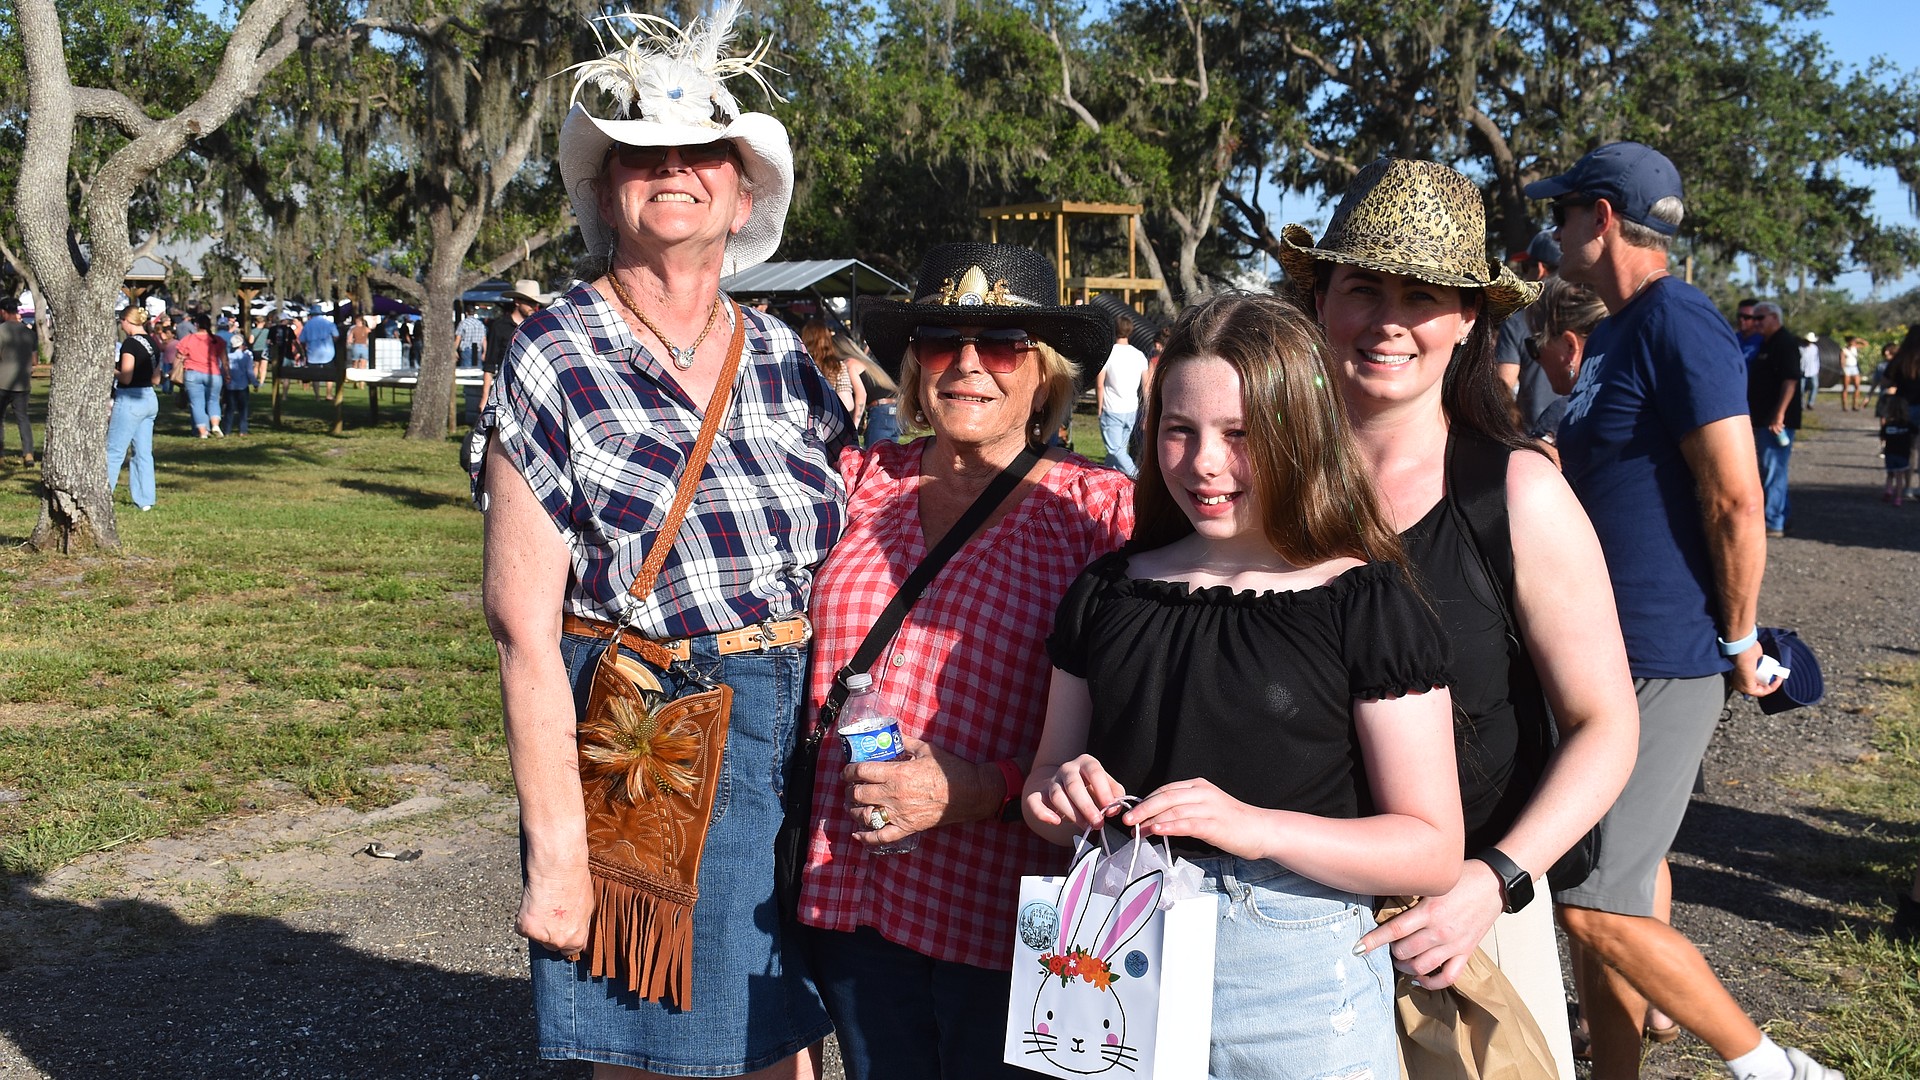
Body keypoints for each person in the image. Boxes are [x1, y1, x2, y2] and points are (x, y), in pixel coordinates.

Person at [477, 10, 837, 1077]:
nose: (669, 171)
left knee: (785, 1036)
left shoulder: (783, 358)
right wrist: (557, 857)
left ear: (740, 195)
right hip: (650, 726)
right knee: (648, 1046)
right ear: (604, 194)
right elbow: (522, 636)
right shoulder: (551, 356)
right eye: (639, 156)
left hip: (799, 734)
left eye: (700, 156)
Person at [1026, 291, 1463, 1080]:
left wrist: (1257, 827)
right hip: (1114, 946)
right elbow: (1044, 797)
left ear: (1301, 432)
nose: (1204, 464)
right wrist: (1063, 795)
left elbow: (1432, 848)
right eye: (1179, 431)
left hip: (1291, 978)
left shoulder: (1366, 601)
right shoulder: (1107, 592)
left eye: (1240, 434)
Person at [1281, 158, 1638, 1080]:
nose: (1390, 320)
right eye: (1363, 288)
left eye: (1424, 294)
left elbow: (1606, 724)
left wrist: (1498, 880)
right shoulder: (1258, 489)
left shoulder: (1515, 493)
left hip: (1457, 932)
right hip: (1271, 927)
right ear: (1321, 299)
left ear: (1471, 317)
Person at [1526, 140, 1842, 1080]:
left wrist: (1741, 637)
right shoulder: (1619, 328)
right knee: (1589, 899)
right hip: (1598, 651)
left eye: (1565, 212)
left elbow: (1736, 497)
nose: (1554, 230)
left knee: (1598, 905)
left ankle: (1771, 1066)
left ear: (1604, 218)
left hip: (1662, 654)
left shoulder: (1680, 320)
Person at [795, 242, 1132, 1080]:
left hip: (1008, 913)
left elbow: (1143, 723)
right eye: (943, 340)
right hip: (849, 900)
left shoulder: (1099, 515)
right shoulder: (855, 483)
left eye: (1003, 345)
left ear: (1044, 371)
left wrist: (981, 789)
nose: (968, 364)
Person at [1524, 275, 1610, 445]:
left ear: (1570, 346)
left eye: (1533, 346)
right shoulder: (1632, 396)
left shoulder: (1560, 416)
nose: (1536, 359)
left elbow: (1538, 472)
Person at [1747, 303, 1802, 538]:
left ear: (1774, 317)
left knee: (1774, 470)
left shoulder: (1784, 343)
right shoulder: (1766, 343)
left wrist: (1779, 414)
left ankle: (1773, 521)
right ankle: (1782, 514)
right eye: (1753, 318)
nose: (1755, 322)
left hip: (1777, 422)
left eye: (1760, 318)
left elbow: (1790, 380)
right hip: (1764, 418)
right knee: (1771, 469)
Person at [107, 307, 160, 511]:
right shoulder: (153, 342)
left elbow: (126, 375)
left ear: (127, 321)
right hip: (149, 398)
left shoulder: (130, 344)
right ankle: (145, 499)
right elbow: (156, 377)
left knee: (114, 451)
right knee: (143, 453)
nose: (121, 325)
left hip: (130, 399)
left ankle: (103, 494)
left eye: (121, 321)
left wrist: (109, 368)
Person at [1094, 314, 1150, 477]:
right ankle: (1110, 480)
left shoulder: (1109, 354)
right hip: (1131, 409)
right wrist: (1146, 410)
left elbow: (1100, 384)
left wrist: (1099, 407)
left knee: (1116, 450)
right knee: (1116, 452)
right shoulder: (1139, 355)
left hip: (1112, 409)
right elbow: (1146, 386)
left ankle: (1138, 478)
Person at [480, 282, 547, 414]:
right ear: (517, 301)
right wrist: (485, 397)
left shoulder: (536, 327)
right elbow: (490, 364)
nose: (534, 307)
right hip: (505, 392)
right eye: (529, 302)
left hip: (532, 393)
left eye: (536, 303)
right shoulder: (499, 326)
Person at [797, 317, 863, 420]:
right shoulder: (837, 367)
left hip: (802, 421)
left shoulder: (797, 365)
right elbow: (847, 404)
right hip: (828, 423)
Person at [173, 316, 227, 438]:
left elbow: (178, 357)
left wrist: (173, 371)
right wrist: (227, 374)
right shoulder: (217, 340)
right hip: (213, 374)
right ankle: (215, 425)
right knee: (213, 400)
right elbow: (224, 360)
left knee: (197, 403)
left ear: (196, 325)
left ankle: (203, 432)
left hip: (192, 373)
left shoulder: (188, 339)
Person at [0, 298, 35, 465]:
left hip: (2, 381)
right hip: (22, 382)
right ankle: (28, 453)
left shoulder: (1, 330)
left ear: (3, 312)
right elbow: (34, 360)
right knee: (23, 418)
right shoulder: (29, 332)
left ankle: (0, 453)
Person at [300, 303, 339, 399]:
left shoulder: (307, 325)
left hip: (313, 352)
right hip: (328, 351)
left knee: (315, 375)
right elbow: (336, 335)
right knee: (329, 374)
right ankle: (328, 394)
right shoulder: (329, 323)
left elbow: (302, 340)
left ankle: (317, 396)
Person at [224, 331, 260, 435]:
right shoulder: (246, 357)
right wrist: (255, 383)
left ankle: (227, 429)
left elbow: (223, 370)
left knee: (229, 409)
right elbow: (249, 372)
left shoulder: (227, 357)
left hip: (230, 386)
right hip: (242, 385)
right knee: (243, 409)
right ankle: (243, 430)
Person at [1841, 336, 1866, 412]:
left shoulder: (1855, 347)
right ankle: (1845, 405)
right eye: (1852, 341)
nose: (1853, 342)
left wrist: (1859, 339)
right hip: (1847, 368)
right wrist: (1843, 369)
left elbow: (1865, 344)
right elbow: (1842, 361)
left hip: (1854, 368)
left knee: (1857, 386)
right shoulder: (1844, 350)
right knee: (1846, 387)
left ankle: (1855, 404)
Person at [1799, 331, 1821, 410]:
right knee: (1801, 389)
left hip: (1813, 370)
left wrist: (1817, 368)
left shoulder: (1815, 348)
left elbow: (1816, 359)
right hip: (1802, 371)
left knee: (1814, 386)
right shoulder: (1800, 348)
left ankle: (1810, 403)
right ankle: (1801, 404)